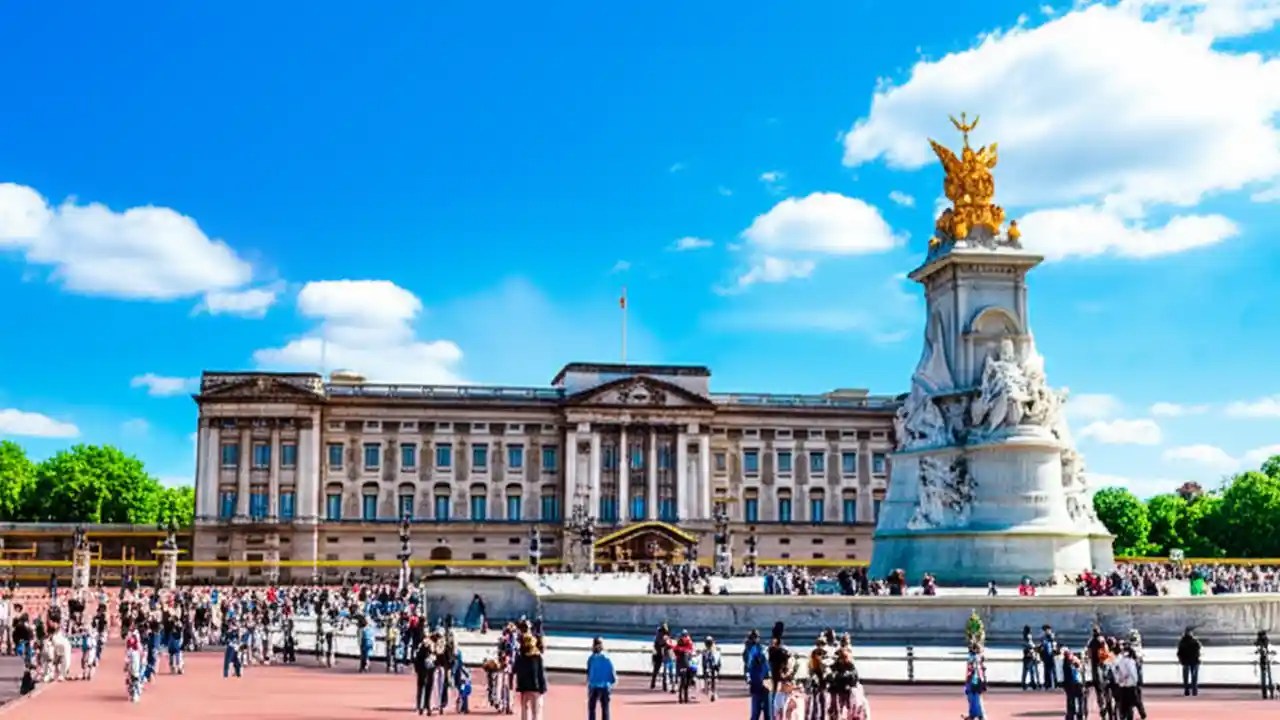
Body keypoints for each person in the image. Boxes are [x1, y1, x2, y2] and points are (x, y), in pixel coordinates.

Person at [513, 633, 548, 720]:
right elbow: (540, 673)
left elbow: (515, 669)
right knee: (536, 711)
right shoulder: (537, 657)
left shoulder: (520, 656)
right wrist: (543, 687)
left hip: (524, 687)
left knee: (525, 710)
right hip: (535, 687)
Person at [586, 636, 616, 720]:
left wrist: (589, 681)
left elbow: (589, 672)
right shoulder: (607, 658)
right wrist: (613, 681)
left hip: (594, 685)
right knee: (605, 708)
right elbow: (611, 670)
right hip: (604, 686)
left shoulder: (591, 658)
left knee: (592, 708)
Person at [744, 630, 770, 720]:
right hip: (757, 683)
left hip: (763, 682)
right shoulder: (750, 650)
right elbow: (747, 666)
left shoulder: (761, 649)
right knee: (757, 712)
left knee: (766, 713)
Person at [412, 637, 436, 716]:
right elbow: (417, 660)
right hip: (423, 671)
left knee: (428, 689)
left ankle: (427, 705)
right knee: (422, 689)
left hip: (429, 671)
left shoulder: (432, 650)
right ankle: (421, 706)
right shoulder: (421, 651)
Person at [1061, 648, 1087, 720]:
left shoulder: (1065, 664)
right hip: (1076, 684)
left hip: (1071, 684)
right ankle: (1079, 714)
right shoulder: (1075, 663)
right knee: (1078, 700)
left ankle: (1072, 715)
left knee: (1071, 701)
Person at [1176, 628, 1201, 696]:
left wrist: (1181, 659)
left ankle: (1187, 690)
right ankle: (1194, 691)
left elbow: (1179, 652)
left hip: (1186, 661)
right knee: (1194, 677)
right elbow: (1198, 650)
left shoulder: (1182, 642)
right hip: (1194, 661)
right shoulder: (1195, 641)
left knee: (1186, 677)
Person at [963, 645, 986, 720]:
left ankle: (979, 715)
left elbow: (973, 670)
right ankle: (974, 714)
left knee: (975, 697)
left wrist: (971, 681)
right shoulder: (977, 657)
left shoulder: (973, 658)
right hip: (976, 679)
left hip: (974, 680)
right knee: (974, 697)